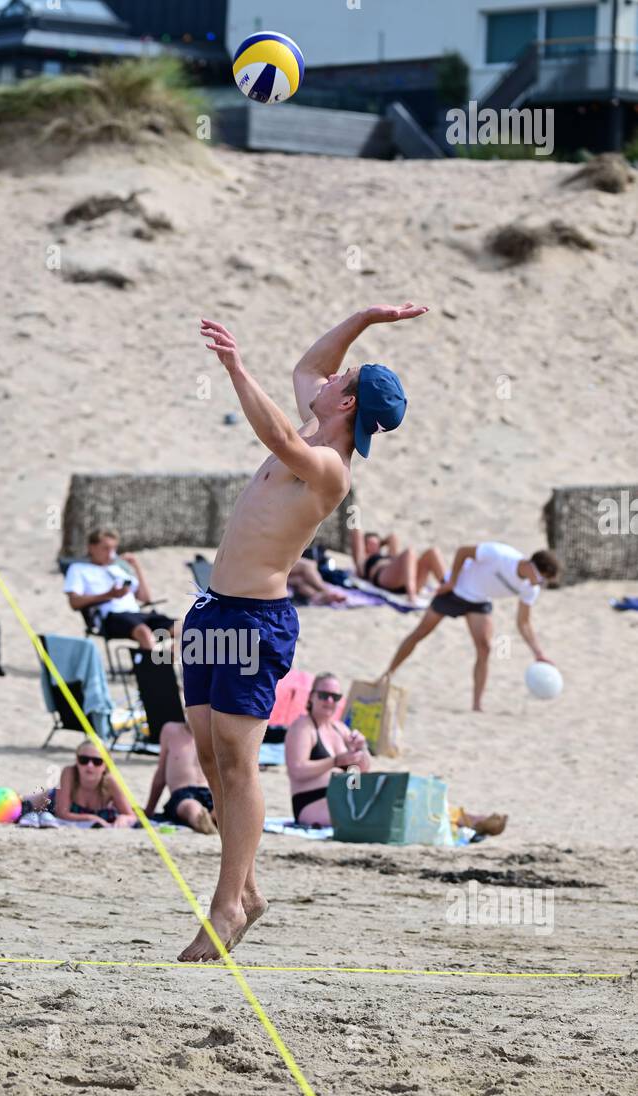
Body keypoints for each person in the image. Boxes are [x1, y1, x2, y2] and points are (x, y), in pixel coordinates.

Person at [179, 302, 428, 960]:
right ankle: (250, 889)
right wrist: (366, 317)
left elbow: (279, 442)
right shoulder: (326, 419)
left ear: (346, 405)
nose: (328, 378)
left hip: (254, 621)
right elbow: (307, 365)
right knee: (207, 756)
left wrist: (235, 369)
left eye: (342, 380)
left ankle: (227, 905)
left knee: (237, 765)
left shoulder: (328, 466)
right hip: (210, 611)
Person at [385, 541, 560, 711]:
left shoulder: (530, 588)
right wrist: (452, 581)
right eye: (540, 579)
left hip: (478, 602)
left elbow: (523, 622)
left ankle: (477, 705)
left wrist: (538, 654)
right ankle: (387, 675)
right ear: (531, 566)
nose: (538, 584)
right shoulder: (500, 554)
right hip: (455, 591)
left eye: (543, 582)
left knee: (484, 649)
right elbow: (463, 551)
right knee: (419, 634)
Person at [0, 741, 138, 828]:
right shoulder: (69, 773)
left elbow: (130, 815)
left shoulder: (110, 782)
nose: (89, 765)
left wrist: (124, 819)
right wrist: (93, 818)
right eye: (83, 760)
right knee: (15, 803)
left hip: (66, 806)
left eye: (96, 761)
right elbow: (62, 813)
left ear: (105, 766)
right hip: (51, 800)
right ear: (76, 761)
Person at [64, 527, 176, 651]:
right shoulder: (78, 569)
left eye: (114, 548)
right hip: (110, 617)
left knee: (185, 628)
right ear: (91, 547)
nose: (110, 553)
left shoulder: (118, 569)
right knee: (144, 632)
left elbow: (145, 598)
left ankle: (166, 662)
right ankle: (156, 667)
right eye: (106, 548)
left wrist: (136, 567)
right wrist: (109, 595)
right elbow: (74, 602)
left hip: (137, 614)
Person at [285, 672, 371, 825]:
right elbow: (297, 770)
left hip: (347, 795)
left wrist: (361, 751)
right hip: (312, 800)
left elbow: (358, 776)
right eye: (324, 695)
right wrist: (335, 761)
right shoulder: (303, 727)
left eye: (335, 697)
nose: (330, 701)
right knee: (359, 818)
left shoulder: (341, 729)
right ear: (311, 696)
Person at [144, 720, 218, 834]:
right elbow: (160, 775)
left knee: (219, 810)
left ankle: (212, 820)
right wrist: (149, 810)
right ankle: (204, 823)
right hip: (182, 793)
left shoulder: (214, 734)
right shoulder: (171, 731)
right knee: (191, 807)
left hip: (209, 791)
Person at [350, 527, 445, 604]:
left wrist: (381, 543)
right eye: (370, 543)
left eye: (376, 543)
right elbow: (357, 532)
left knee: (433, 552)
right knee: (409, 552)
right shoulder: (362, 561)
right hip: (385, 578)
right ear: (364, 545)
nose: (374, 544)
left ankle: (448, 588)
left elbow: (392, 537)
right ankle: (411, 595)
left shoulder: (389, 556)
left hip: (407, 579)